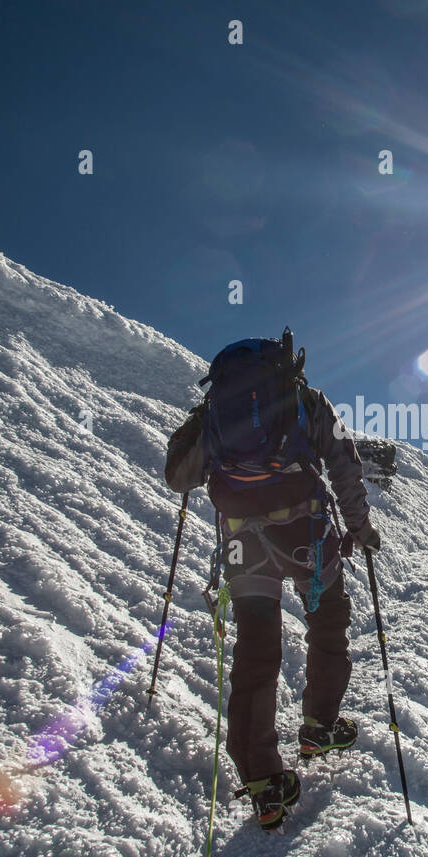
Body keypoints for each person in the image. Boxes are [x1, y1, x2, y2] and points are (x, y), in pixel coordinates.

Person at [163, 329, 381, 830]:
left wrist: (199, 423)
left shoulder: (216, 409)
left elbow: (179, 477)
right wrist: (360, 529)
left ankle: (263, 781)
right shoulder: (305, 399)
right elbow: (344, 463)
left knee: (256, 650)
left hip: (243, 540)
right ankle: (319, 727)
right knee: (327, 622)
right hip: (306, 530)